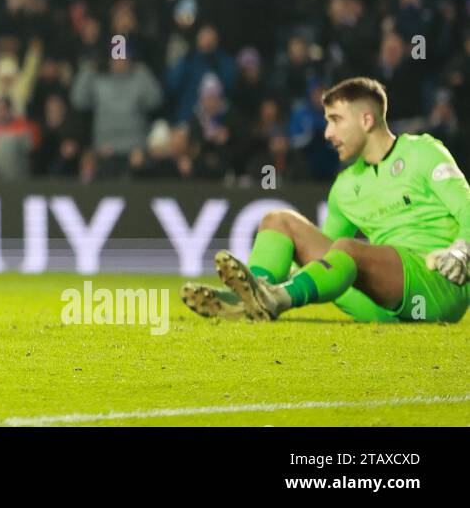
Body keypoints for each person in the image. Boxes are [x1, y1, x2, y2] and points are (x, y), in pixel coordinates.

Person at [182, 77, 470, 324]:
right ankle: (250, 297)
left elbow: (466, 206)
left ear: (366, 120)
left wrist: (462, 250)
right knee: (278, 220)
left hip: (438, 287)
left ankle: (273, 299)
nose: (327, 133)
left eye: (335, 120)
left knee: (349, 249)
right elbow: (327, 264)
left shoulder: (423, 152)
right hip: (380, 302)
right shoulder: (346, 186)